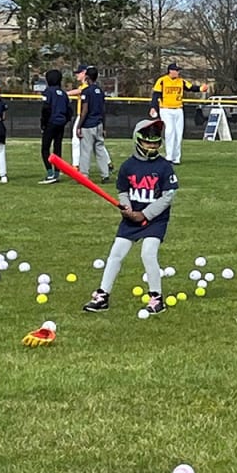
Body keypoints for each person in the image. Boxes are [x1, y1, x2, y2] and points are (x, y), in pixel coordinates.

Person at [83, 119, 177, 316]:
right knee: (115, 254)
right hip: (130, 219)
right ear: (138, 141)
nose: (151, 146)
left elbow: (168, 196)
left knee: (148, 254)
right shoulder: (128, 166)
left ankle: (156, 298)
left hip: (155, 219)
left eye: (155, 143)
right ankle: (103, 295)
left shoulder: (164, 167)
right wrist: (126, 207)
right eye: (147, 142)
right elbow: (122, 190)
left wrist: (144, 214)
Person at [150, 62, 205, 164]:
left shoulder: (181, 81)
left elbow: (191, 87)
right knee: (170, 131)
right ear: (170, 71)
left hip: (178, 109)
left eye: (178, 70)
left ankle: (176, 158)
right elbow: (156, 95)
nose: (178, 72)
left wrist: (201, 88)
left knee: (178, 133)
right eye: (176, 70)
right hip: (166, 109)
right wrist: (153, 107)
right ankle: (169, 156)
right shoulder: (162, 81)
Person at [71, 64, 112, 180]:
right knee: (100, 148)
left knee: (85, 150)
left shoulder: (86, 91)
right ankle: (105, 174)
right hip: (99, 123)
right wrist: (104, 126)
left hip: (88, 124)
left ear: (87, 77)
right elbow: (103, 110)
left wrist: (79, 125)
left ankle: (84, 175)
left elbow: (85, 110)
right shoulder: (100, 91)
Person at [38, 68, 70, 184]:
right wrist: (65, 120)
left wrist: (43, 123)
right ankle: (56, 173)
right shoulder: (63, 94)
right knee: (57, 148)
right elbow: (69, 111)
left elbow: (46, 108)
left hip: (51, 123)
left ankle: (50, 173)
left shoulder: (48, 92)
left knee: (45, 148)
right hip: (60, 123)